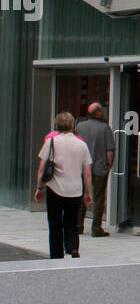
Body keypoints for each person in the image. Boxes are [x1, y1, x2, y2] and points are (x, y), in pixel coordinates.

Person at [34, 111, 93, 259]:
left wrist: (39, 188)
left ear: (57, 125)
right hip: (75, 190)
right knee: (71, 222)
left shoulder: (51, 142)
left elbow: (42, 168)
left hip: (55, 188)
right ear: (72, 125)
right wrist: (87, 192)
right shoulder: (82, 145)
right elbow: (86, 173)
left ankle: (56, 254)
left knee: (54, 224)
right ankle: (72, 247)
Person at [74, 102, 116, 237]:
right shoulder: (105, 128)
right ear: (98, 113)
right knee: (99, 197)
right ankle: (96, 228)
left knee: (81, 196)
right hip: (99, 167)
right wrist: (109, 164)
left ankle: (78, 225)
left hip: (82, 167)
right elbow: (110, 149)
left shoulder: (79, 126)